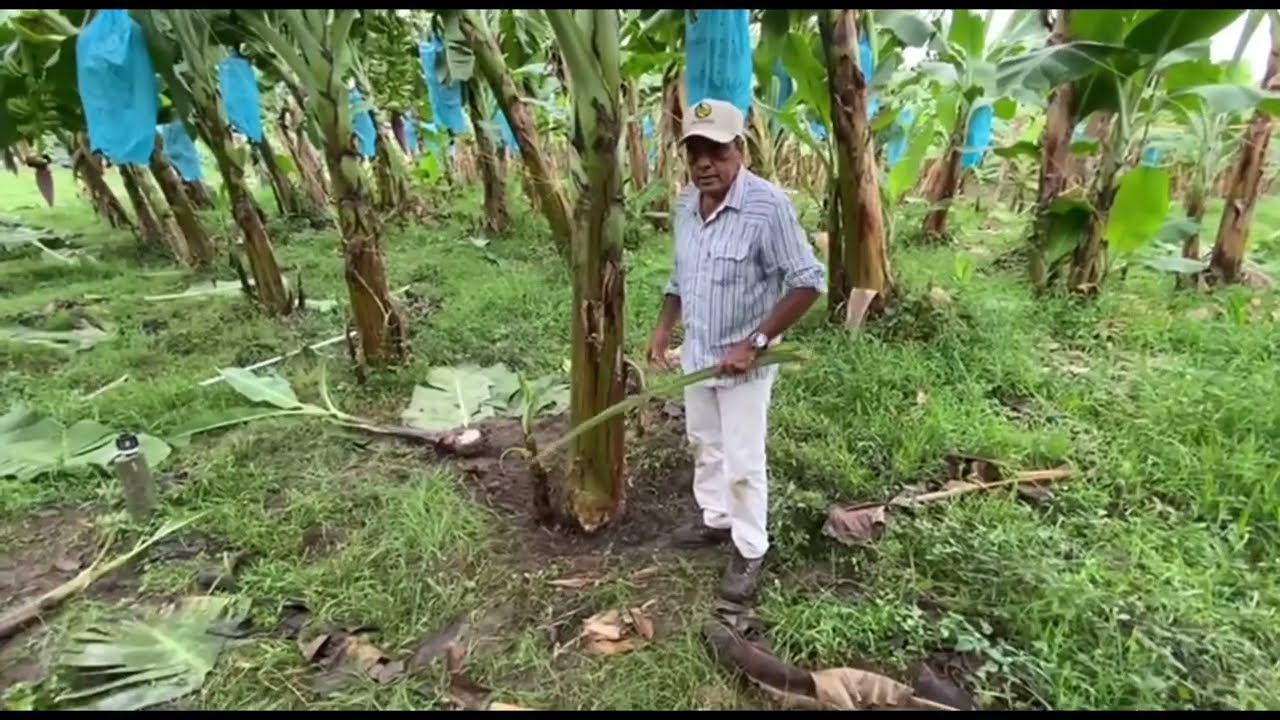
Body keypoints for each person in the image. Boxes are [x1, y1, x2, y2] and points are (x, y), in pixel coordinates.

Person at [646, 98, 825, 603]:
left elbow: (809, 282)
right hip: (699, 352)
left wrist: (756, 341)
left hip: (745, 363)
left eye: (717, 151)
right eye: (695, 151)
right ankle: (716, 519)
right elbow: (681, 276)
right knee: (704, 442)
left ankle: (750, 548)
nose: (705, 163)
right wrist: (664, 329)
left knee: (743, 460)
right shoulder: (686, 204)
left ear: (739, 150)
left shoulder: (768, 207)